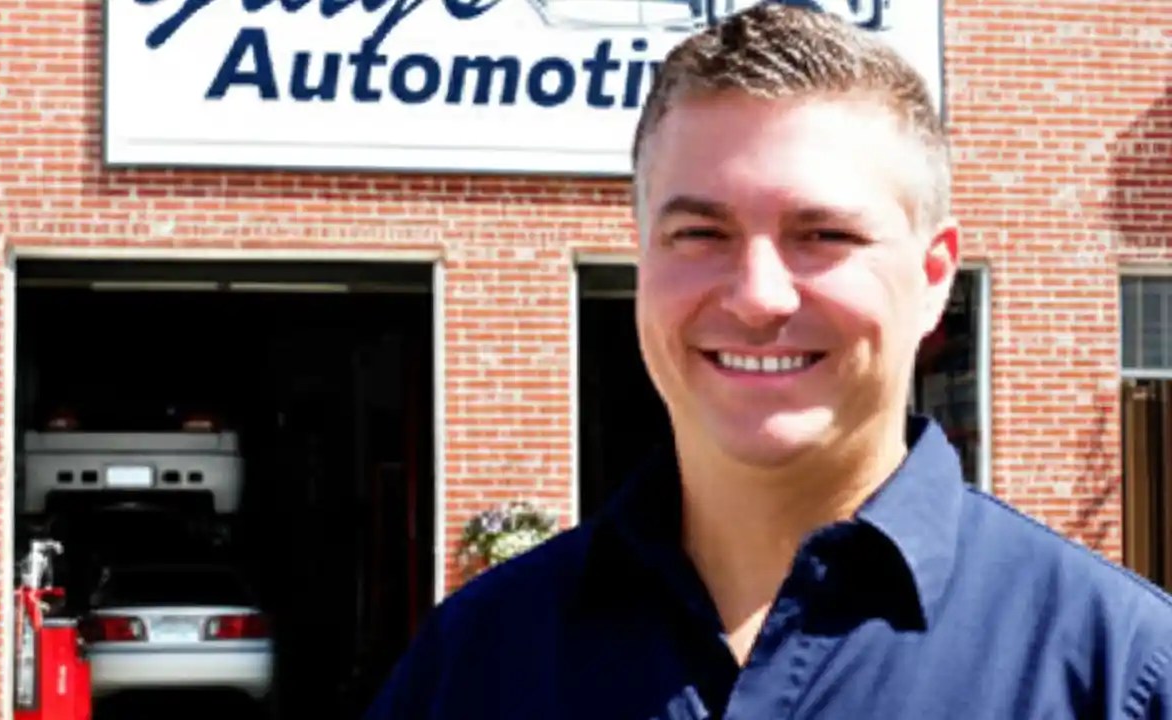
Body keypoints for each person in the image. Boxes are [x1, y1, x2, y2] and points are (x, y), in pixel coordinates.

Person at [363, 4, 1172, 718]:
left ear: (932, 279)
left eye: (824, 235)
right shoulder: (476, 659)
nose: (758, 297)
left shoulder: (1117, 673)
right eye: (702, 235)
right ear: (643, 261)